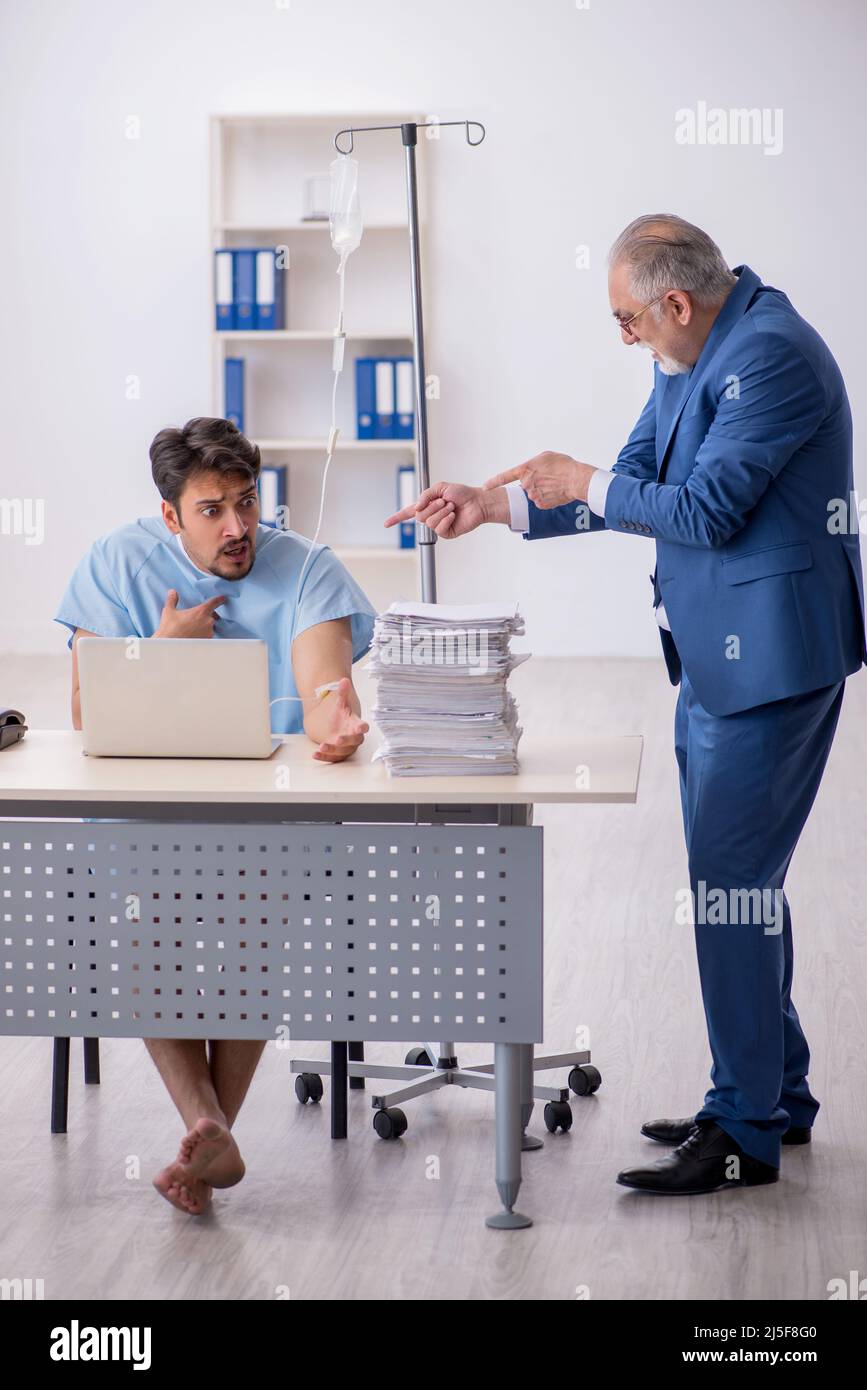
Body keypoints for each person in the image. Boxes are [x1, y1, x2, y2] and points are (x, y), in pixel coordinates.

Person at [385, 214, 866, 1195]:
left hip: (773, 659)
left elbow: (703, 511)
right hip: (715, 655)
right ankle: (778, 1093)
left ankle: (744, 1130)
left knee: (729, 891)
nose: (626, 338)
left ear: (675, 303)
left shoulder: (770, 355)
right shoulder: (697, 346)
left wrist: (590, 481)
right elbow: (635, 481)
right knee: (739, 886)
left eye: (627, 321)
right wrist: (500, 505)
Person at [54, 416, 375, 1215]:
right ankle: (211, 1130)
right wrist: (161, 650)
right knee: (138, 919)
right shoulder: (114, 563)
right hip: (139, 821)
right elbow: (89, 712)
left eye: (247, 502)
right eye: (211, 510)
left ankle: (204, 1129)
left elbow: (324, 685)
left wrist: (334, 722)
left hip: (265, 828)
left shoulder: (306, 570)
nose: (238, 529)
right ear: (169, 515)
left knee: (254, 917)